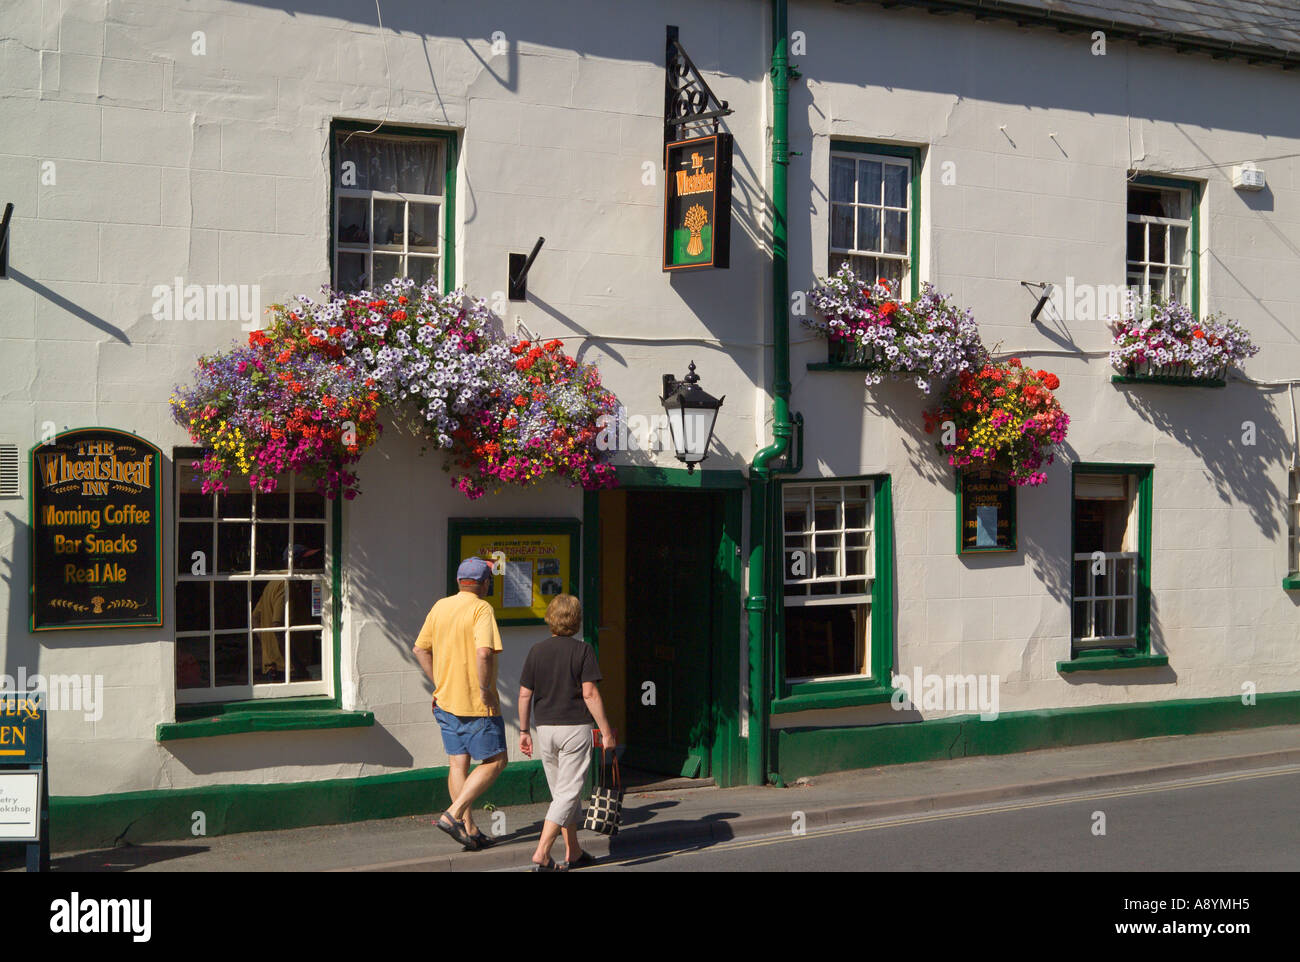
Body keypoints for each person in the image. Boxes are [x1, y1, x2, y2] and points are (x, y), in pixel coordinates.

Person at [413, 557, 507, 852]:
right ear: (484, 583)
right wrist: (484, 689)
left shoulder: (441, 606)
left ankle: (469, 830)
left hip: (445, 701)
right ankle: (453, 815)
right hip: (475, 703)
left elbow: (419, 649)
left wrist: (438, 682)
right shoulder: (481, 608)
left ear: (458, 581)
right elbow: (483, 653)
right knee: (496, 761)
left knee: (458, 763)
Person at [518, 593, 615, 872]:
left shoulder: (536, 650)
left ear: (551, 618)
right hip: (575, 729)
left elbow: (525, 695)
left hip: (545, 729)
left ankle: (573, 851)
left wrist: (524, 730)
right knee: (567, 794)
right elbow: (590, 693)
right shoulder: (583, 651)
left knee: (563, 793)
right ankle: (542, 853)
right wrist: (606, 732)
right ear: (576, 620)